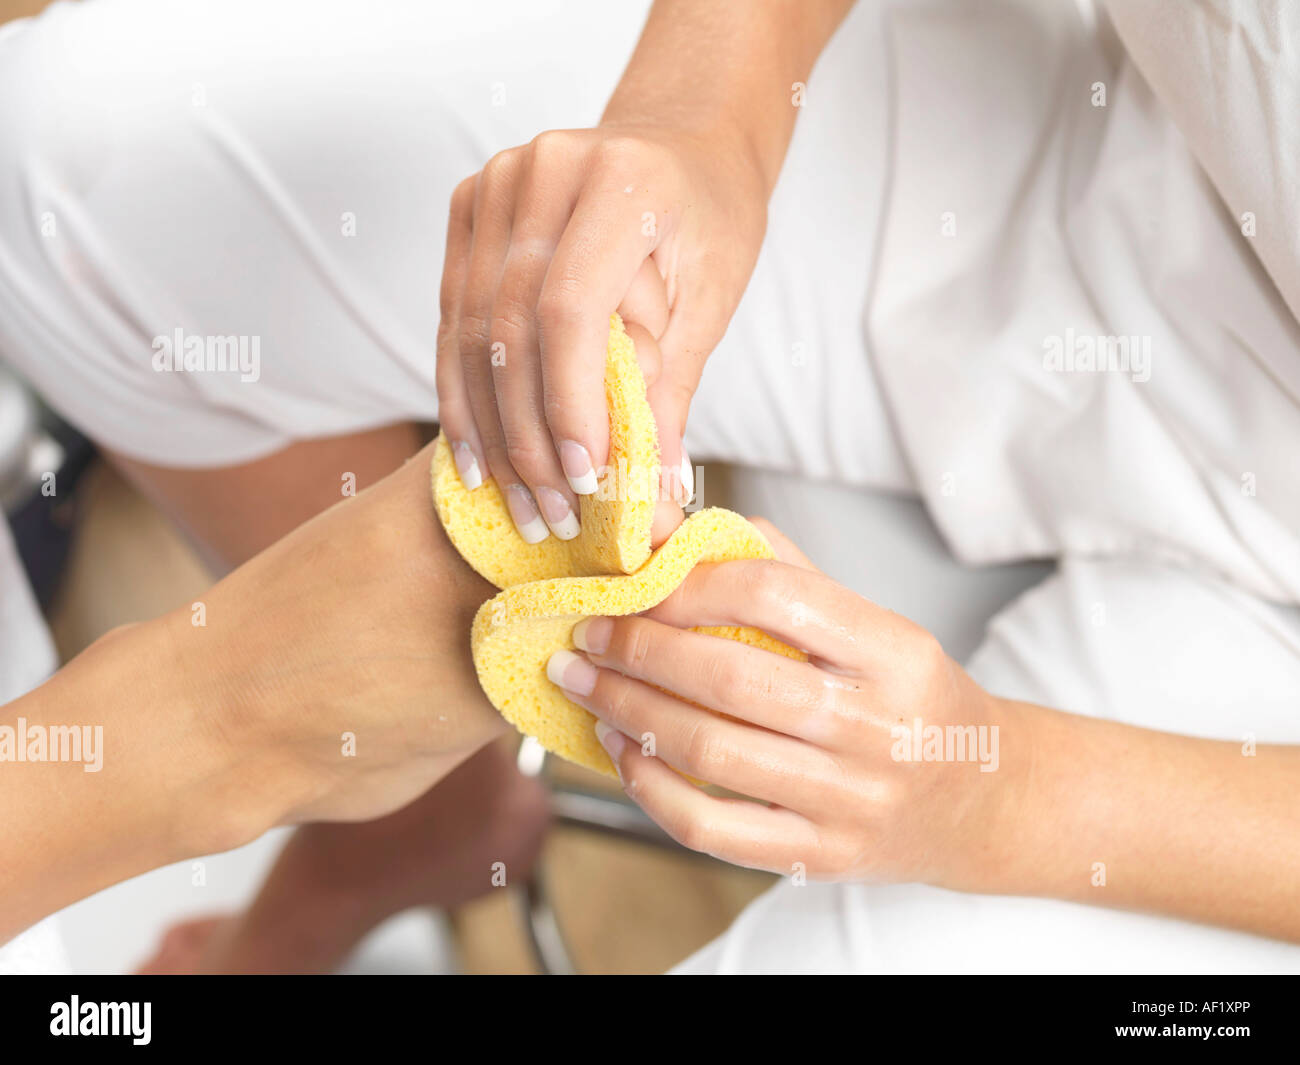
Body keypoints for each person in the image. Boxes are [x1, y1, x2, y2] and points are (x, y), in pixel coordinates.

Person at [1, 0, 1298, 975]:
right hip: (1112, 170)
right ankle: (411, 810)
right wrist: (711, 112)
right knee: (53, 174)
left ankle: (323, 785)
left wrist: (1002, 791)